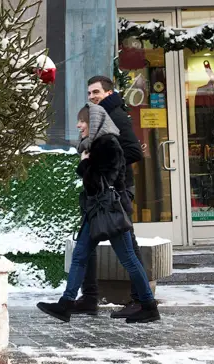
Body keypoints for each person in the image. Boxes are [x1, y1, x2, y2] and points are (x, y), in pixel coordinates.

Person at [36, 103, 160, 324]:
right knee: (80, 256)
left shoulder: (108, 144)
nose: (78, 125)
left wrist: (85, 165)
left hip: (110, 211)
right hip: (97, 211)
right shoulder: (95, 145)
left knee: (129, 259)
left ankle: (149, 306)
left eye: (83, 121)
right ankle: (65, 304)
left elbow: (100, 184)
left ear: (94, 122)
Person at [70, 75, 144, 319]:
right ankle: (88, 297)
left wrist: (104, 165)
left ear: (109, 93)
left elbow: (132, 151)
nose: (92, 96)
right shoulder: (97, 114)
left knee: (127, 245)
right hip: (100, 191)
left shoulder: (115, 115)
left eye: (97, 92)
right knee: (86, 244)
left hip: (114, 191)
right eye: (89, 93)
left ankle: (141, 300)